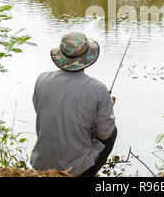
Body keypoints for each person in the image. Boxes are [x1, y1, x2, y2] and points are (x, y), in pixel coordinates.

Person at [30, 31, 116, 176]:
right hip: (74, 170)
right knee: (112, 133)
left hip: (41, 165)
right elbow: (105, 132)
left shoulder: (41, 79)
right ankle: (85, 174)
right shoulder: (97, 88)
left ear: (62, 55)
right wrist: (108, 105)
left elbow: (41, 110)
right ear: (87, 57)